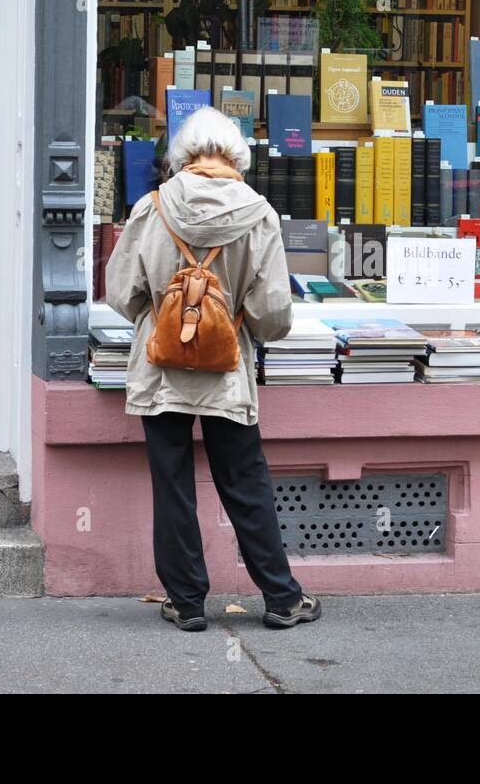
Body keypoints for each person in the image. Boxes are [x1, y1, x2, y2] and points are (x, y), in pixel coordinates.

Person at [104, 107, 321, 632]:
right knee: (245, 481)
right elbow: (272, 315)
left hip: (161, 370)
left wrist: (164, 316)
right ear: (236, 155)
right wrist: (233, 322)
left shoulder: (152, 207)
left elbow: (120, 293)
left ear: (182, 154)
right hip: (227, 372)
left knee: (172, 485)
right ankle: (282, 598)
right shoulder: (261, 214)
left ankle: (186, 602)